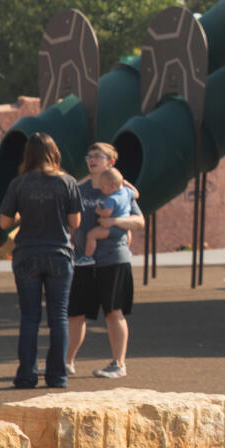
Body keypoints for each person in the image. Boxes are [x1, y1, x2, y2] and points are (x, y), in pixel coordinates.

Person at [0, 133, 80, 389]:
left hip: (27, 253)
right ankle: (57, 376)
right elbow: (75, 222)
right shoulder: (67, 182)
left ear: (28, 155)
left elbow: (4, 222)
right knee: (59, 317)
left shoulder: (19, 184)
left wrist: (24, 215)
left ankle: (26, 376)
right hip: (59, 253)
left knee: (30, 317)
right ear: (54, 153)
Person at [67, 143, 142, 379]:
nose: (92, 159)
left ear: (110, 162)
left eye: (98, 156)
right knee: (75, 314)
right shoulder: (80, 189)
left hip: (113, 259)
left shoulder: (120, 189)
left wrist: (115, 223)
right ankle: (65, 362)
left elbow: (139, 222)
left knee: (113, 312)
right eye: (89, 156)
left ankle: (118, 364)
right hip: (83, 261)